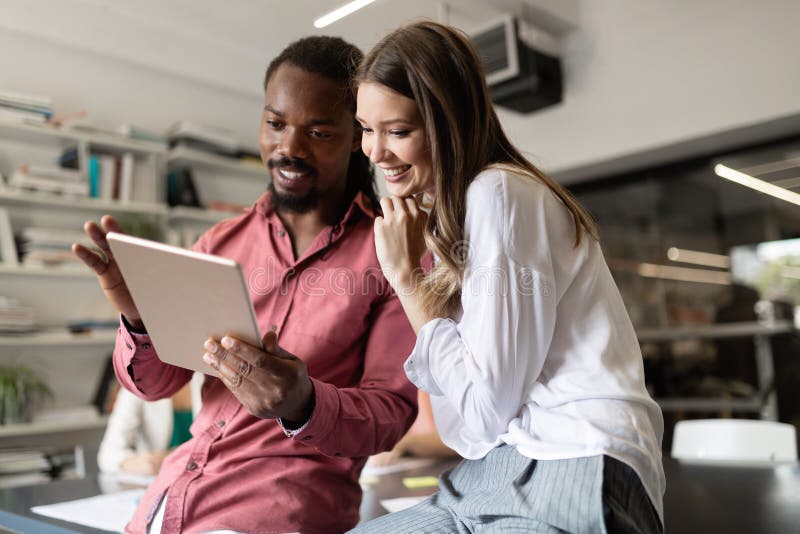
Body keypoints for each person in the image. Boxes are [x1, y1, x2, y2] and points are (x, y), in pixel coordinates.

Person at [73, 36, 418, 534]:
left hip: (279, 514)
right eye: (276, 124)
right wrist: (139, 317)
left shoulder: (393, 252)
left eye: (319, 132)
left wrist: (304, 403)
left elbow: (391, 414)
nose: (289, 148)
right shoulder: (219, 241)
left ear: (358, 137)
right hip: (167, 506)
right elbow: (153, 385)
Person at [352, 21, 665, 533]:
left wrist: (406, 278)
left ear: (447, 124)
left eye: (399, 130)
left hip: (577, 459)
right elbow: (469, 433)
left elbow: (480, 414)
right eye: (367, 128)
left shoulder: (497, 193)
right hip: (510, 464)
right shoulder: (458, 222)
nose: (375, 151)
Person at [97, 374, 203, 476]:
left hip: (206, 477)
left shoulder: (208, 377)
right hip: (160, 481)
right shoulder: (137, 384)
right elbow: (107, 454)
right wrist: (140, 463)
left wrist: (175, 456)